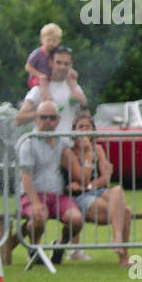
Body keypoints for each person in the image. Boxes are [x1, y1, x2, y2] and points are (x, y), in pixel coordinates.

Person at [18, 100, 83, 264]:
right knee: (39, 215)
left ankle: (59, 246)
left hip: (58, 196)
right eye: (44, 117)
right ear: (36, 119)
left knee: (76, 220)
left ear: (58, 120)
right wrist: (35, 202)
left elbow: (77, 166)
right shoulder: (28, 142)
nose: (48, 121)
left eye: (52, 117)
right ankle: (34, 249)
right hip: (33, 194)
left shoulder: (63, 142)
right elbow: (25, 177)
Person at [65, 113, 133, 265]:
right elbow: (80, 177)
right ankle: (123, 254)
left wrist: (89, 185)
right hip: (79, 197)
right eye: (80, 127)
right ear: (74, 131)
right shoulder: (70, 152)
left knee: (117, 190)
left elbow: (105, 177)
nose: (84, 130)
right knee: (125, 212)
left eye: (87, 127)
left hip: (96, 190)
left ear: (93, 131)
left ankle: (118, 239)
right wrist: (88, 155)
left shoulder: (99, 149)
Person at [14, 47, 87, 134]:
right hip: (44, 143)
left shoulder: (75, 89)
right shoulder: (39, 88)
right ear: (50, 63)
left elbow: (86, 120)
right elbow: (18, 120)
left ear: (71, 65)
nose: (62, 67)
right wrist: (42, 114)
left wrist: (84, 105)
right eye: (58, 63)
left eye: (66, 64)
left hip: (68, 144)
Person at [24, 23, 62, 89]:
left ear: (59, 41)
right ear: (42, 40)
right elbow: (28, 67)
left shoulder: (57, 53)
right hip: (37, 79)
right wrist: (40, 75)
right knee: (43, 82)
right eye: (48, 40)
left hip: (50, 79)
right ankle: (45, 98)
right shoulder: (38, 53)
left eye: (54, 41)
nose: (51, 43)